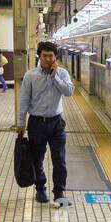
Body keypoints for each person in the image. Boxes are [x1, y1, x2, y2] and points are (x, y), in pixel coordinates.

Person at [15, 41, 74, 207]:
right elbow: (24, 100)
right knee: (37, 158)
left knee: (60, 159)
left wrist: (55, 77)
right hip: (36, 123)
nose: (47, 59)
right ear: (39, 57)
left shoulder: (62, 73)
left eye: (50, 56)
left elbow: (69, 92)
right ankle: (40, 188)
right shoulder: (30, 75)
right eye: (44, 56)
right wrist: (21, 123)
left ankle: (60, 193)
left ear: (55, 57)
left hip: (56, 123)